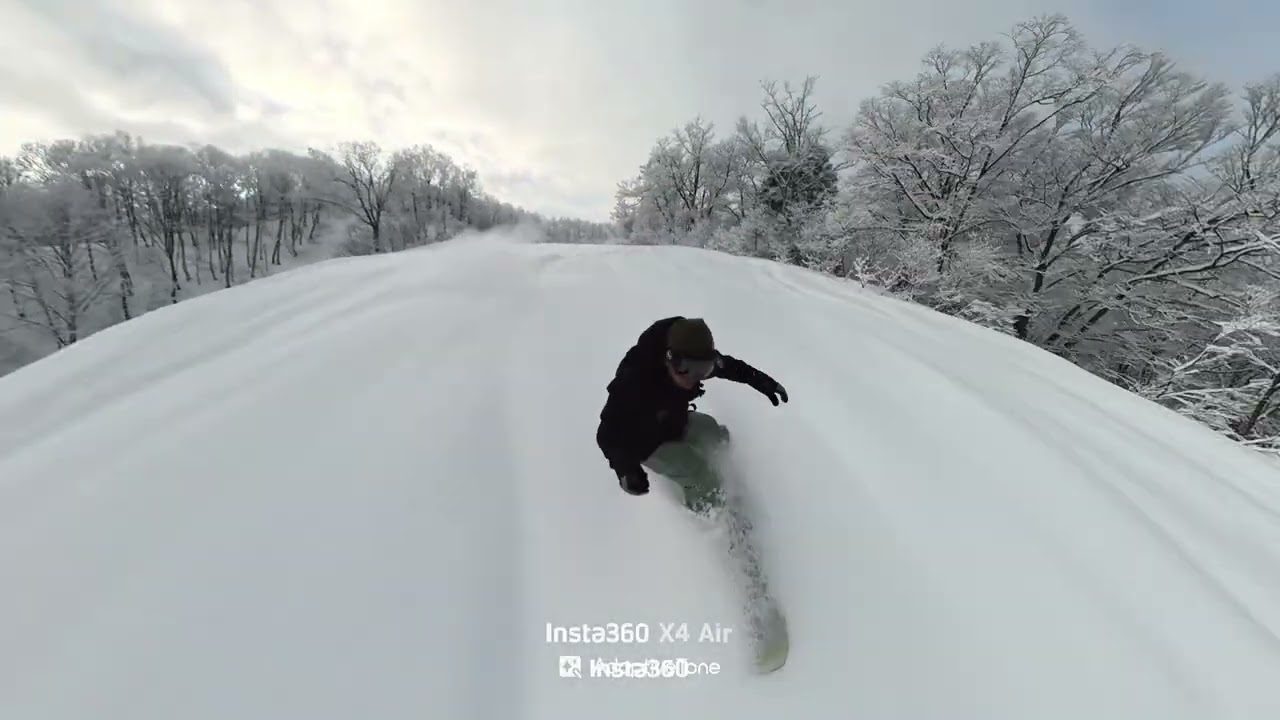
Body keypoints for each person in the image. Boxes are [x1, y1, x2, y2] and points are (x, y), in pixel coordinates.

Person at [595, 316, 788, 512]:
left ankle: (728, 485)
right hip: (640, 441)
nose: (692, 379)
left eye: (702, 371)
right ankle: (711, 513)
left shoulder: (692, 361)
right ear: (670, 358)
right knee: (696, 471)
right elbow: (607, 432)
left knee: (714, 432)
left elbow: (729, 367)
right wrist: (626, 470)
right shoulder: (634, 380)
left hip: (671, 420)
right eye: (686, 370)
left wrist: (762, 381)